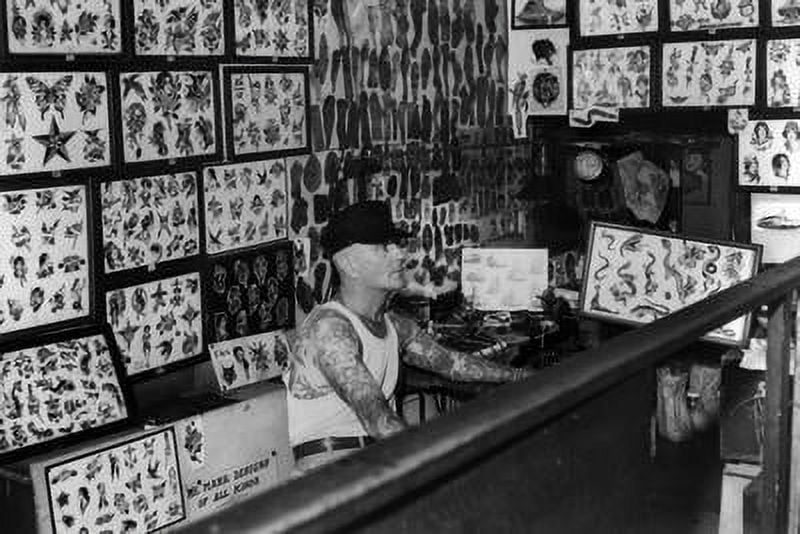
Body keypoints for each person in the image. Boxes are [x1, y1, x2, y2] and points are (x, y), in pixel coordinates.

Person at [284, 201, 532, 474]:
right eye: (383, 248)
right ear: (349, 264)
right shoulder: (330, 329)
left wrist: (520, 376)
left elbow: (453, 364)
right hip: (327, 474)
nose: (400, 255)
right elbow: (379, 420)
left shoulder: (392, 324)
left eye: (397, 245)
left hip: (367, 462)